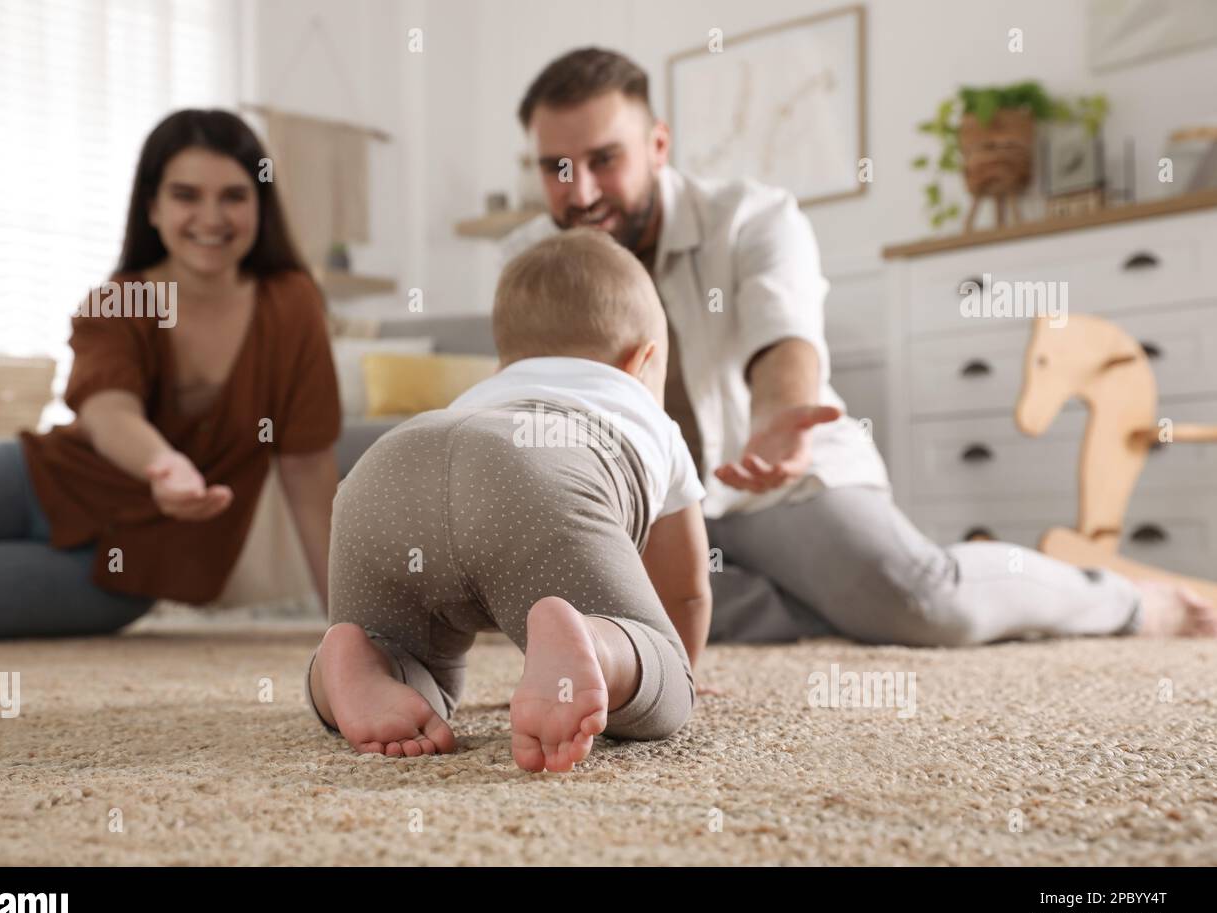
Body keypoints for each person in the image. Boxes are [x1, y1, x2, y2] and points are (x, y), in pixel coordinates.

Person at [505, 47, 1217, 645]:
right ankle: (841, 610)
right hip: (647, 507)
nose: (582, 191)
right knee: (543, 602)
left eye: (604, 159)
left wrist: (780, 417)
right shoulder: (531, 259)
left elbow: (783, 334)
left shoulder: (752, 217)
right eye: (556, 169)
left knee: (922, 604)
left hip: (775, 481)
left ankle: (1122, 600)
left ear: (658, 145)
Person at [0, 109, 341, 639]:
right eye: (186, 195)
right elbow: (108, 409)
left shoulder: (292, 304)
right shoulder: (122, 299)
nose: (211, 218)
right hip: (31, 480)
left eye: (234, 195)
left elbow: (307, 470)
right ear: (153, 208)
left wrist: (350, 627)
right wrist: (163, 465)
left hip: (122, 568)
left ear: (260, 204)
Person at [308, 229, 710, 772]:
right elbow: (684, 592)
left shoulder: (480, 397)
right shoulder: (652, 421)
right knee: (664, 685)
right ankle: (591, 641)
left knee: (407, 655)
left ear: (503, 362)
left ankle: (362, 661)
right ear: (644, 361)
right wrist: (672, 666)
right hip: (531, 478)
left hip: (386, 470)